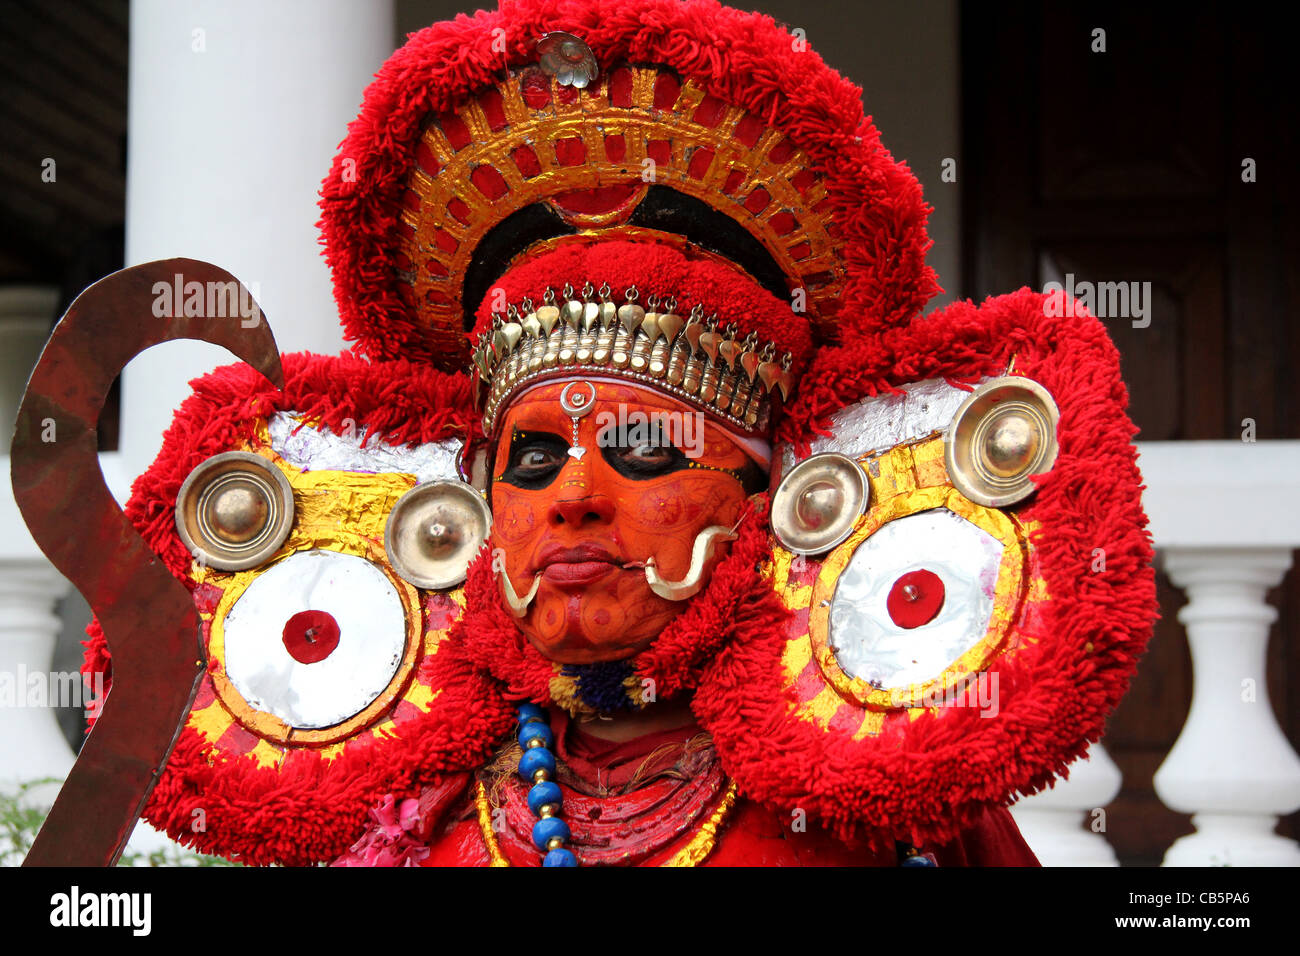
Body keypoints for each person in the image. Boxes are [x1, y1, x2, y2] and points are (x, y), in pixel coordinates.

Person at [73, 0, 1155, 867]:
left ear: (764, 494)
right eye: (531, 459)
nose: (571, 496)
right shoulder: (413, 806)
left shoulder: (885, 802)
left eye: (641, 449)